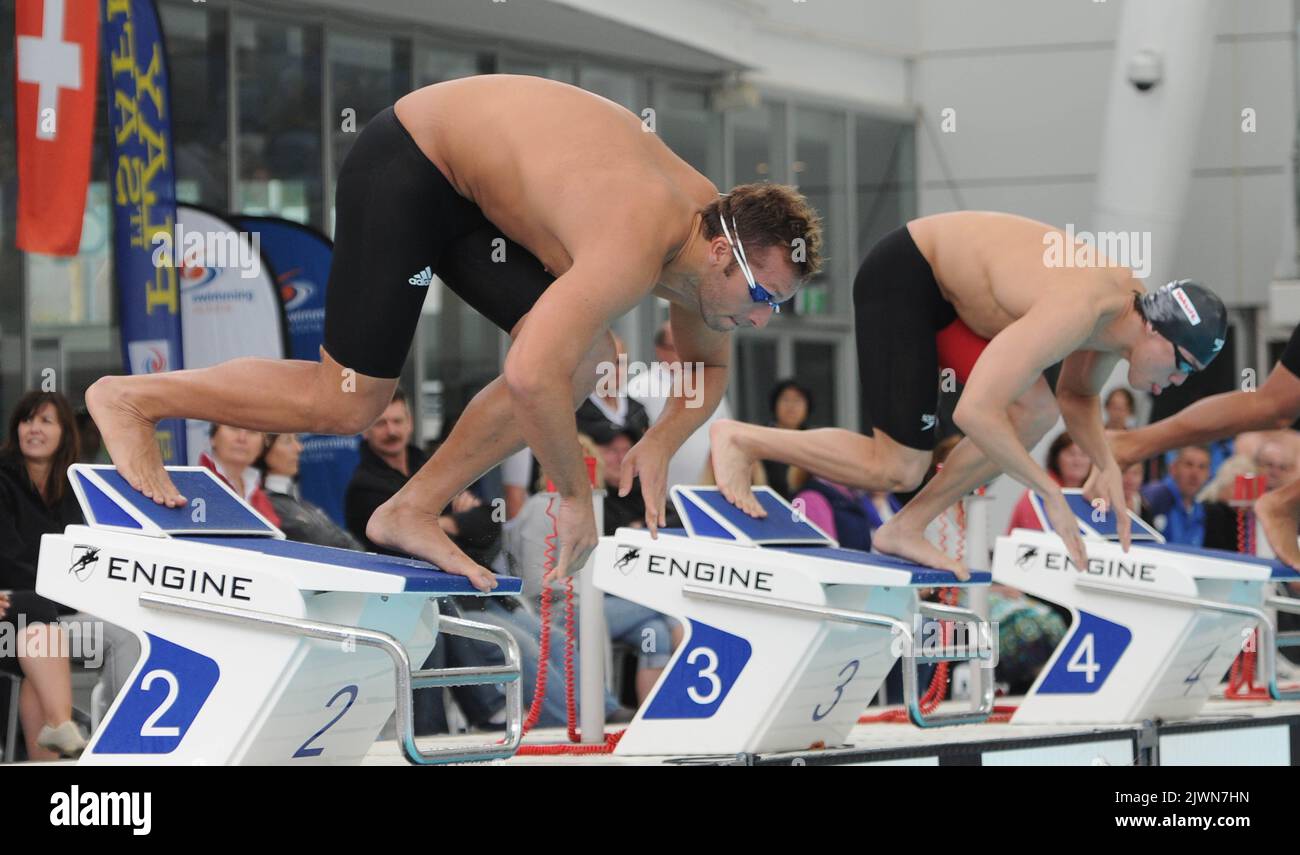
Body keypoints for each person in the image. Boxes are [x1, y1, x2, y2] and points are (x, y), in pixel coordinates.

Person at [86, 74, 823, 593]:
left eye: (776, 308)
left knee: (594, 355)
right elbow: (531, 374)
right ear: (726, 252)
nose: (760, 320)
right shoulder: (637, 242)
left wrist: (659, 445)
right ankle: (133, 398)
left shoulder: (709, 262)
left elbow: (709, 375)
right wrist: (574, 493)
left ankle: (409, 508)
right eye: (762, 298)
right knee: (346, 400)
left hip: (483, 197)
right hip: (412, 159)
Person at [710, 212, 1228, 575]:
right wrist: (1048, 491)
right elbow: (976, 411)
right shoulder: (1079, 309)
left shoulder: (1123, 314)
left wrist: (1106, 462)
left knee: (1036, 411)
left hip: (959, 303)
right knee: (896, 468)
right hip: (909, 274)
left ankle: (905, 527)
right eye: (1184, 366)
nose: (1178, 382)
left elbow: (1076, 396)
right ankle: (743, 439)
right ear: (1159, 335)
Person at [1104, 323, 1300, 567]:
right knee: (1275, 406)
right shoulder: (1162, 496)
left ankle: (1132, 443)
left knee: (1275, 406)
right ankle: (1132, 444)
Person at [0, 391, 87, 758]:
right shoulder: (3, 480)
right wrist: (57, 588)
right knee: (35, 611)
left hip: (44, 610)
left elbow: (85, 557)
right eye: (26, 420)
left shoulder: (74, 491)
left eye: (45, 421)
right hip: (10, 599)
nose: (33, 428)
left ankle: (56, 733)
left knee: (37, 632)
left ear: (65, 433)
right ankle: (60, 725)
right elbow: (7, 559)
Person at [255, 433, 363, 549]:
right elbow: (324, 540)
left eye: (296, 439)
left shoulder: (300, 503)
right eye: (287, 441)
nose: (299, 448)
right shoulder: (266, 504)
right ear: (263, 449)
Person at [1005, 431, 1091, 533]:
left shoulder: (1097, 496)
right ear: (1056, 458)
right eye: (1071, 454)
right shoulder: (1038, 494)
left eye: (1084, 454)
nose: (1078, 461)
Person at [1140, 446, 1213, 546]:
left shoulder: (1202, 511)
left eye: (1202, 467)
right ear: (1173, 468)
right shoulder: (1155, 496)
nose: (1195, 473)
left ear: (1209, 474)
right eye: (1189, 465)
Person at [763, 380, 813, 499]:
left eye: (797, 401)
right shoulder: (762, 437)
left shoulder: (813, 440)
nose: (791, 406)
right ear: (775, 404)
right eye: (785, 400)